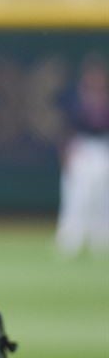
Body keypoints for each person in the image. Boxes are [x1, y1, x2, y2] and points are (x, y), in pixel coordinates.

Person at [54, 54, 109, 258]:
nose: (96, 79)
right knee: (77, 196)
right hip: (81, 146)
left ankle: (101, 240)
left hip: (102, 147)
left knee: (102, 197)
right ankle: (70, 239)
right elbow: (65, 127)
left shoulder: (105, 99)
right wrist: (65, 151)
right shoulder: (76, 98)